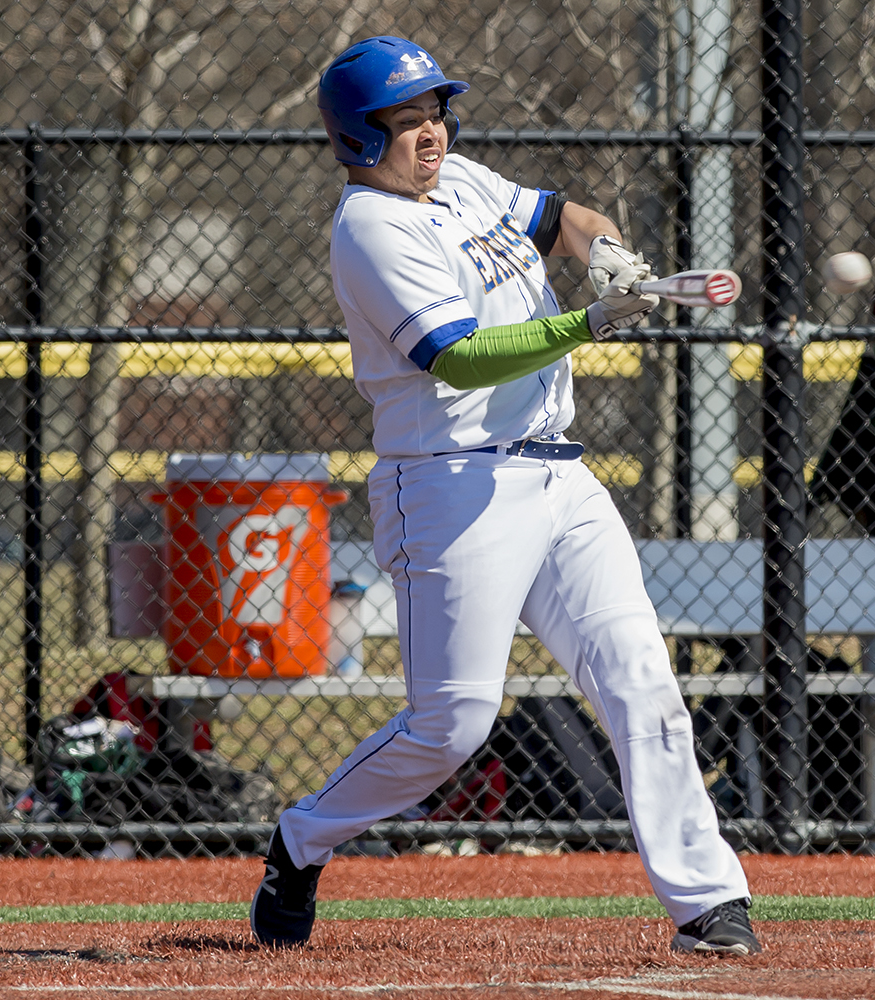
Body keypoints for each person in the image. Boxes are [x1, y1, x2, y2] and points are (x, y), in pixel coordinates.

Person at [249, 36, 760, 956]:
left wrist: (607, 254)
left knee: (640, 680)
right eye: (406, 122)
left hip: (559, 476)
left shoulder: (464, 182)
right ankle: (302, 840)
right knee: (453, 727)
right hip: (449, 484)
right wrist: (592, 319)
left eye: (435, 112)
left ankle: (707, 904)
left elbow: (567, 214)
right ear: (361, 139)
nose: (430, 134)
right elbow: (457, 354)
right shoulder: (370, 225)